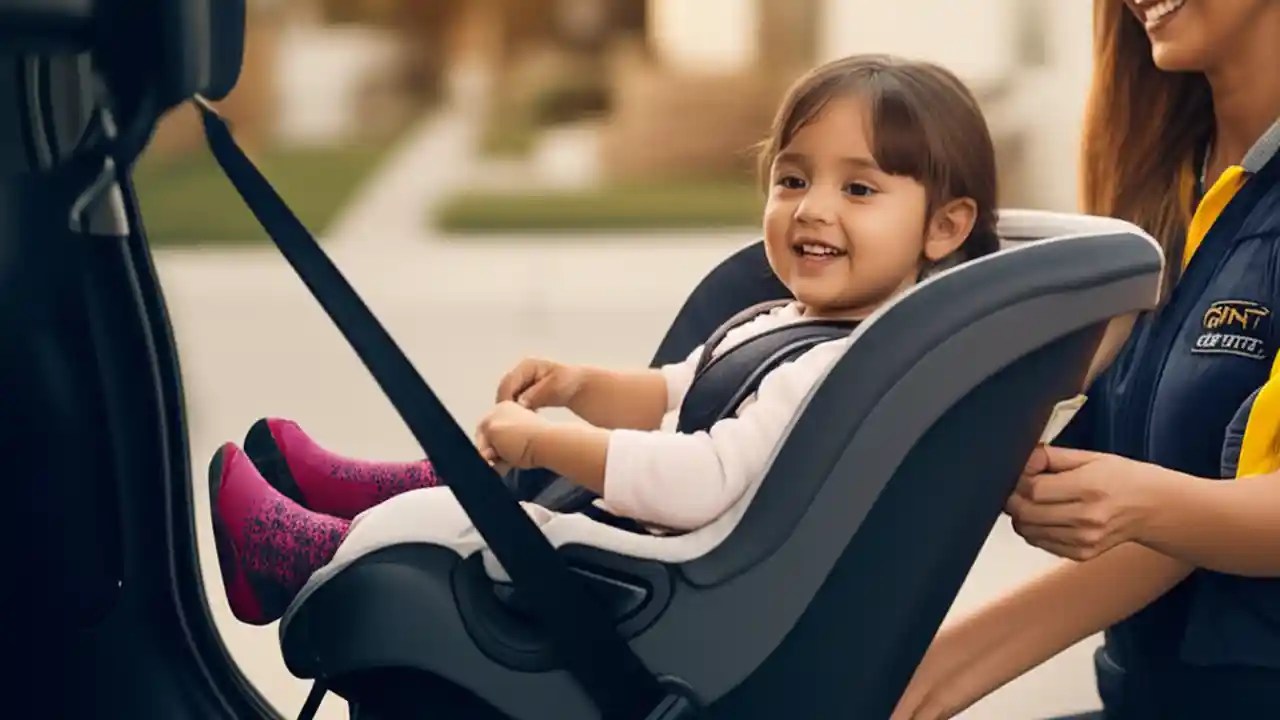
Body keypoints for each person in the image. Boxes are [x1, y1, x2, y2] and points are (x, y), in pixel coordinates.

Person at [207, 53, 1002, 627]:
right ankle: (372, 496)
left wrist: (550, 444)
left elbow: (705, 477)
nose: (812, 209)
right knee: (500, 505)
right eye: (792, 179)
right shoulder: (785, 323)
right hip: (654, 552)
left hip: (668, 587)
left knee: (475, 533)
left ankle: (299, 554)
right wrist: (582, 386)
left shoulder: (837, 368)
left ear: (944, 227)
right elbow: (671, 393)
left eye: (858, 189)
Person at [892, 1, 1280, 718]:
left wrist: (1150, 505)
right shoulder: (1156, 202)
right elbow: (1162, 536)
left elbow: (1171, 514)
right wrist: (913, 685)